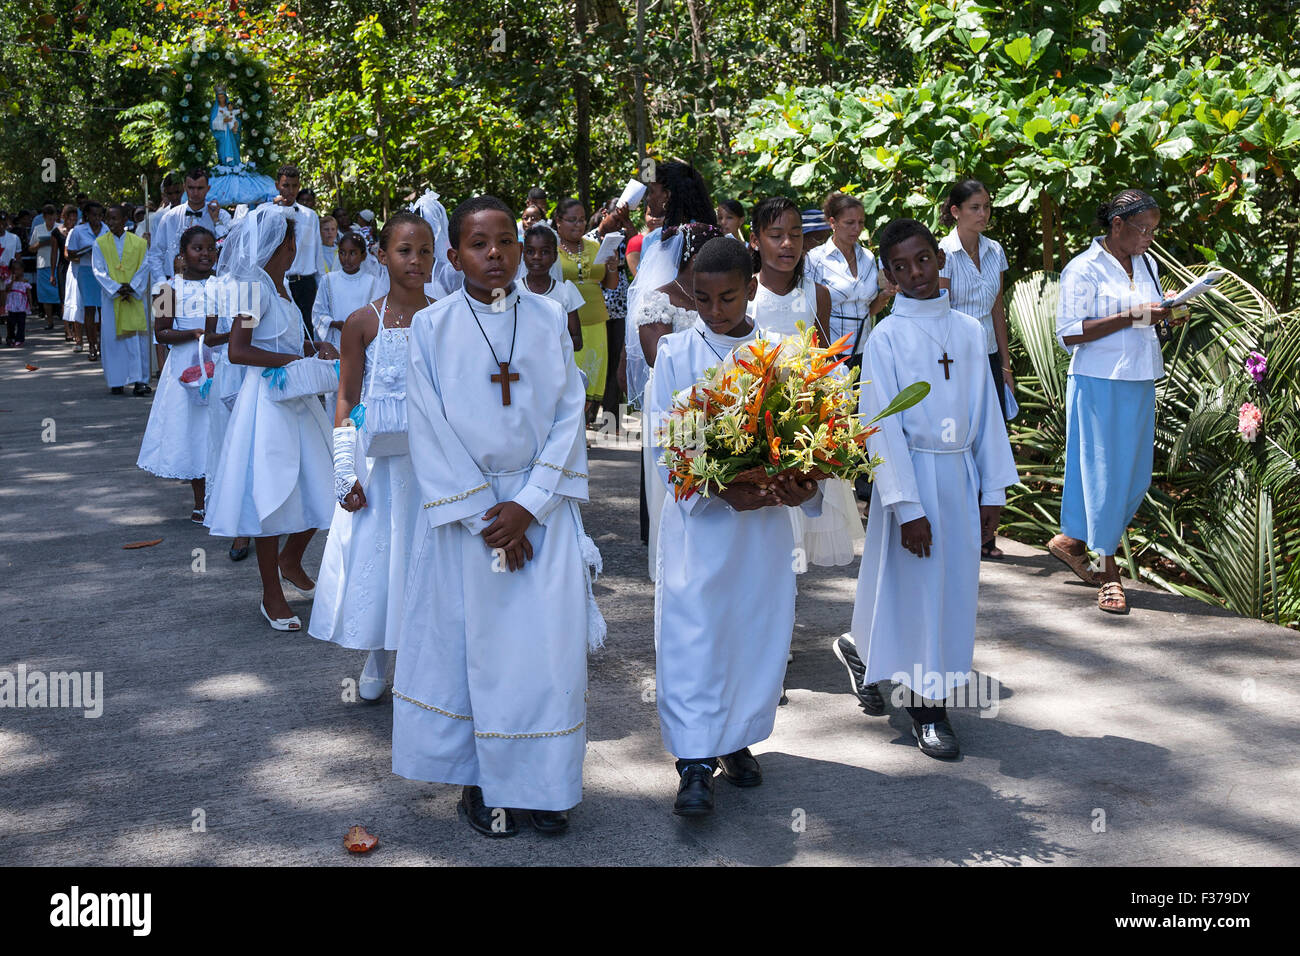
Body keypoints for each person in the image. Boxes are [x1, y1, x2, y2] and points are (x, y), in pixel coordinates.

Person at [392, 195, 599, 839]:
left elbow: (570, 414)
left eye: (505, 241)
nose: (495, 255)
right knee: (473, 652)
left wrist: (528, 507)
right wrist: (491, 516)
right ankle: (482, 783)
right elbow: (426, 426)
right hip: (471, 519)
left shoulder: (547, 317)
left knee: (547, 652)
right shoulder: (430, 327)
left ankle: (548, 785)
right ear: (454, 256)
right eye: (478, 245)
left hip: (542, 511)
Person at [649, 236, 822, 816]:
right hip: (700, 526)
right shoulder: (675, 353)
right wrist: (721, 488)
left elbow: (808, 439)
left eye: (727, 297)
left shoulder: (782, 350)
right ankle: (694, 761)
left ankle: (735, 737)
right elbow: (664, 442)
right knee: (695, 634)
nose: (715, 311)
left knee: (753, 630)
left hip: (762, 528)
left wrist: (804, 482)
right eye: (702, 299)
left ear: (751, 288)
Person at [840, 218, 1017, 759]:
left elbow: (986, 415)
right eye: (900, 267)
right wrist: (906, 506)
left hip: (961, 474)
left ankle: (864, 651)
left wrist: (992, 493)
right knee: (914, 589)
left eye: (923, 260)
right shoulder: (888, 337)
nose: (915, 273)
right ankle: (926, 708)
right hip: (913, 477)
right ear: (888, 277)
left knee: (951, 590)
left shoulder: (967, 331)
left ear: (939, 260)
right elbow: (881, 427)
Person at [309, 212, 436, 701]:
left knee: (427, 557)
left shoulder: (445, 313)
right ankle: (378, 652)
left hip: (431, 461)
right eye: (404, 250)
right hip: (380, 463)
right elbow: (347, 395)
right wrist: (343, 470)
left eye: (424, 250)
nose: (415, 260)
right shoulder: (364, 321)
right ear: (382, 256)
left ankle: (428, 660)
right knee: (384, 554)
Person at [1048, 188, 1185, 615]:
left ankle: (1071, 539)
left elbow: (1149, 315)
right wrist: (1131, 315)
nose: (1149, 237)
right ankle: (1109, 572)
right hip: (1097, 379)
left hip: (1141, 376)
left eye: (1154, 230)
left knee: (1136, 476)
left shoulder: (1148, 263)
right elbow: (1070, 332)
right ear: (1117, 225)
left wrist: (1171, 313)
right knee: (1103, 475)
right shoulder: (1082, 268)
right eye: (1143, 229)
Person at [205, 203, 336, 631]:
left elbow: (295, 342)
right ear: (284, 244)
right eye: (294, 240)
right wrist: (292, 360)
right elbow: (238, 350)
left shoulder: (283, 287)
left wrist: (319, 351)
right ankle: (270, 593)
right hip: (267, 403)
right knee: (271, 494)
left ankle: (291, 558)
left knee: (326, 483)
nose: (298, 247)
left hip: (296, 399)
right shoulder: (253, 288)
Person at [748, 196, 862, 567]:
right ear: (755, 239)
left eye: (796, 235)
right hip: (755, 425)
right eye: (776, 235)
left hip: (802, 430)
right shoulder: (747, 294)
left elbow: (824, 360)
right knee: (762, 530)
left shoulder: (817, 294)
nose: (787, 244)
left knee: (796, 522)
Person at [628, 221, 724, 573]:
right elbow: (658, 356)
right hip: (673, 403)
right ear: (692, 256)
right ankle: (674, 566)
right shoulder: (659, 298)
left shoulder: (722, 294)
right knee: (680, 484)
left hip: (721, 399)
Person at [935, 180, 1013, 558]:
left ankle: (987, 532)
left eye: (986, 207)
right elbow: (941, 311)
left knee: (991, 441)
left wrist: (1007, 365)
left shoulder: (995, 250)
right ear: (955, 211)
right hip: (955, 358)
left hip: (988, 355)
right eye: (975, 208)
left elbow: (997, 308)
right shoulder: (943, 253)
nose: (983, 214)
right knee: (960, 438)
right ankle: (961, 526)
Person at [138, 226, 218, 517]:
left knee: (217, 429)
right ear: (183, 254)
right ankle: (201, 501)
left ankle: (221, 495)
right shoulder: (166, 289)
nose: (205, 254)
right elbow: (161, 333)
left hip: (220, 361)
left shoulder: (226, 285)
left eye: (210, 248)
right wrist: (192, 334)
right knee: (193, 431)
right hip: (187, 366)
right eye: (197, 249)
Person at [806, 192, 896, 364]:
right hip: (829, 352)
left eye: (860, 222)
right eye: (849, 223)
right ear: (833, 223)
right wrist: (821, 355)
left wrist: (885, 295)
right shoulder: (815, 259)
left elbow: (866, 311)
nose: (856, 228)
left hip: (865, 349)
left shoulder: (868, 258)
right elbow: (808, 312)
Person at [553, 198, 620, 424]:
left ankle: (581, 427)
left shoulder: (594, 246)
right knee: (569, 379)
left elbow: (610, 284)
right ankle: (569, 428)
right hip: (567, 324)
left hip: (596, 321)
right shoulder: (550, 249)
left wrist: (612, 267)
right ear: (558, 222)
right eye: (572, 220)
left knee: (592, 379)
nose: (578, 225)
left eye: (581, 219)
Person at [310, 232, 372, 424]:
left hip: (363, 347)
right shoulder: (329, 280)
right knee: (336, 395)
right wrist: (334, 323)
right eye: (343, 253)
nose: (347, 259)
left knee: (360, 393)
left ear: (363, 255)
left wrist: (359, 328)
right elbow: (317, 312)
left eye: (353, 253)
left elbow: (375, 315)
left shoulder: (372, 283)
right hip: (337, 343)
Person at [91, 205, 152, 396]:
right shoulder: (99, 243)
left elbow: (144, 266)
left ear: (125, 220)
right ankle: (116, 380)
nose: (110, 223)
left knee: (136, 339)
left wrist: (132, 286)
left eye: (114, 219)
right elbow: (98, 270)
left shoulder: (139, 243)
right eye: (107, 219)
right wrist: (117, 288)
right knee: (112, 340)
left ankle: (140, 381)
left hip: (133, 297)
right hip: (113, 299)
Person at [271, 165, 322, 342]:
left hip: (305, 282)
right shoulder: (269, 213)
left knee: (307, 326)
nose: (290, 190)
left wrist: (320, 284)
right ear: (278, 185)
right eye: (286, 185)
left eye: (294, 186)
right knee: (281, 327)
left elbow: (317, 252)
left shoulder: (310, 216)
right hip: (278, 281)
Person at [521, 224, 584, 352]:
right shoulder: (513, 291)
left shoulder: (565, 292)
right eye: (530, 251)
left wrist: (547, 341)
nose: (536, 257)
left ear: (554, 257)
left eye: (544, 252)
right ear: (523, 255)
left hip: (556, 365)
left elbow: (577, 341)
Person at [66, 201, 109, 361]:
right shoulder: (78, 231)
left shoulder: (107, 229)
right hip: (86, 270)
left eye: (99, 215)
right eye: (93, 215)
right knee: (90, 309)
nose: (97, 218)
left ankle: (104, 345)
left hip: (105, 271)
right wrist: (87, 250)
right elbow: (70, 254)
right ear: (87, 215)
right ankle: (92, 345)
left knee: (106, 310)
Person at [28, 204, 62, 330]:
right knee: (45, 295)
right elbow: (31, 248)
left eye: (53, 218)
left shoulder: (60, 228)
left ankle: (66, 321)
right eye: (49, 219)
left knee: (61, 293)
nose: (51, 221)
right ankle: (49, 321)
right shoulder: (38, 228)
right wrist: (40, 244)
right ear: (44, 217)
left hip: (59, 264)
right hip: (42, 264)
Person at [624, 210, 662, 277]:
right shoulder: (636, 242)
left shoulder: (675, 238)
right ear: (645, 215)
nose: (656, 219)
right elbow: (638, 276)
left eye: (661, 215)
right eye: (651, 214)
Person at [4, 259, 31, 346]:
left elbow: (29, 294)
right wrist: (12, 281)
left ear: (22, 270)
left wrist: (31, 304)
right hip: (11, 307)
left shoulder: (25, 282)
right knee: (10, 323)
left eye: (18, 269)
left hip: (21, 307)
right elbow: (7, 290)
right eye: (14, 270)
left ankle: (20, 339)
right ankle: (10, 337)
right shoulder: (9, 281)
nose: (16, 272)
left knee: (21, 324)